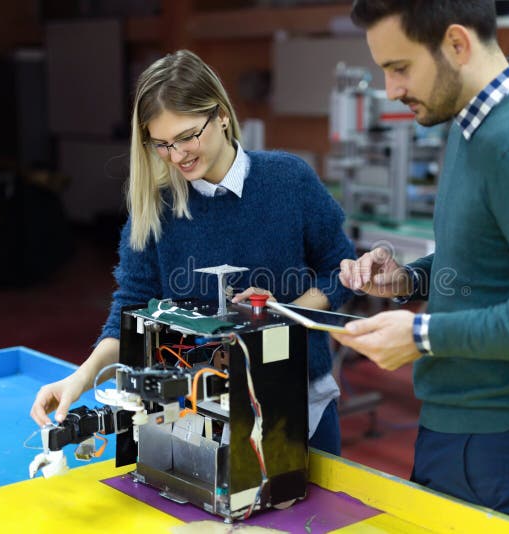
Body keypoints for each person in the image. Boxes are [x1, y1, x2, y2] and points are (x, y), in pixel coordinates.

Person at [333, 0, 509, 526]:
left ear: (457, 44)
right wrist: (410, 280)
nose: (390, 90)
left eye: (399, 67)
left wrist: (421, 336)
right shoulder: (471, 126)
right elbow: (487, 259)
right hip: (459, 430)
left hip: (503, 448)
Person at [30, 49, 355, 455]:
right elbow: (129, 311)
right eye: (162, 144)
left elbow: (339, 270)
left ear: (219, 114)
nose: (178, 155)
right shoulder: (157, 206)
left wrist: (279, 317)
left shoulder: (288, 181)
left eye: (187, 136)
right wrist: (81, 377)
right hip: (194, 417)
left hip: (299, 408)